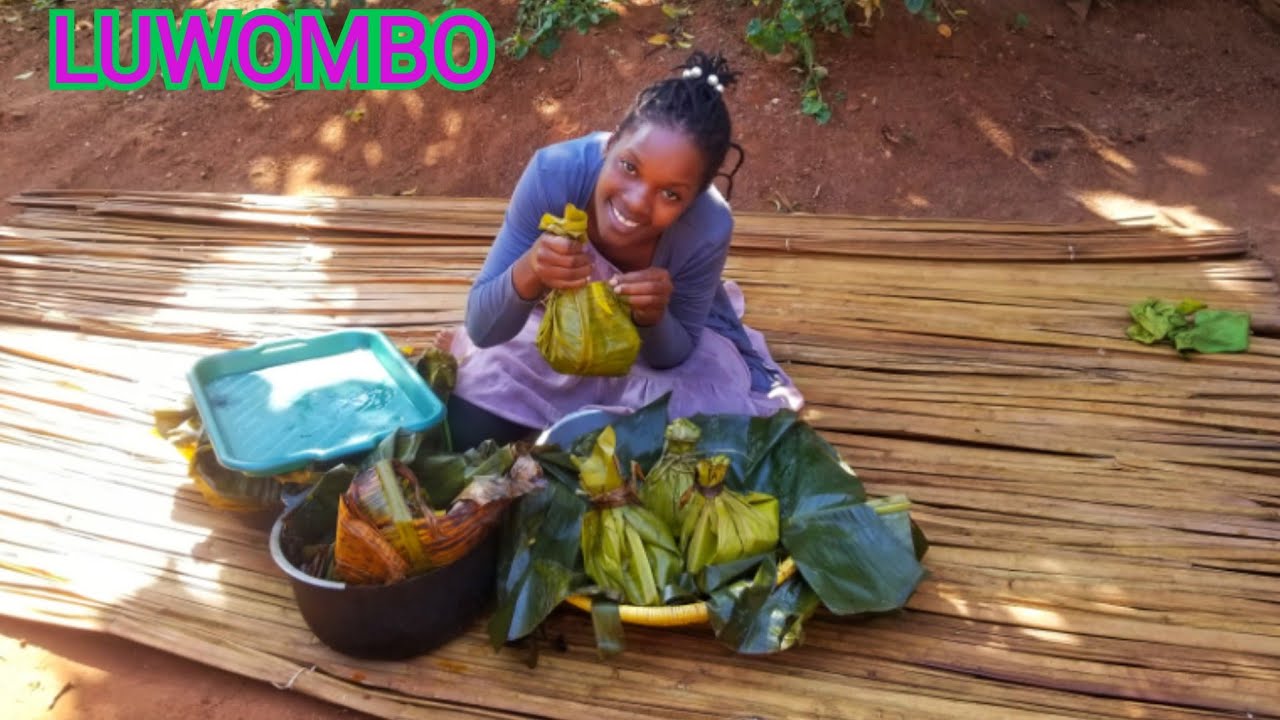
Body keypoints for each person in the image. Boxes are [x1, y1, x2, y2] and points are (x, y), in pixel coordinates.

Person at [446, 51, 803, 450]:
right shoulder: (554, 174)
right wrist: (529, 271)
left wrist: (653, 317)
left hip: (648, 364)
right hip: (548, 334)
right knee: (462, 430)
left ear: (697, 196)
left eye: (670, 193)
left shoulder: (707, 228)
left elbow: (673, 354)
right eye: (629, 167)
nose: (636, 202)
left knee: (705, 438)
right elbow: (483, 327)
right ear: (611, 143)